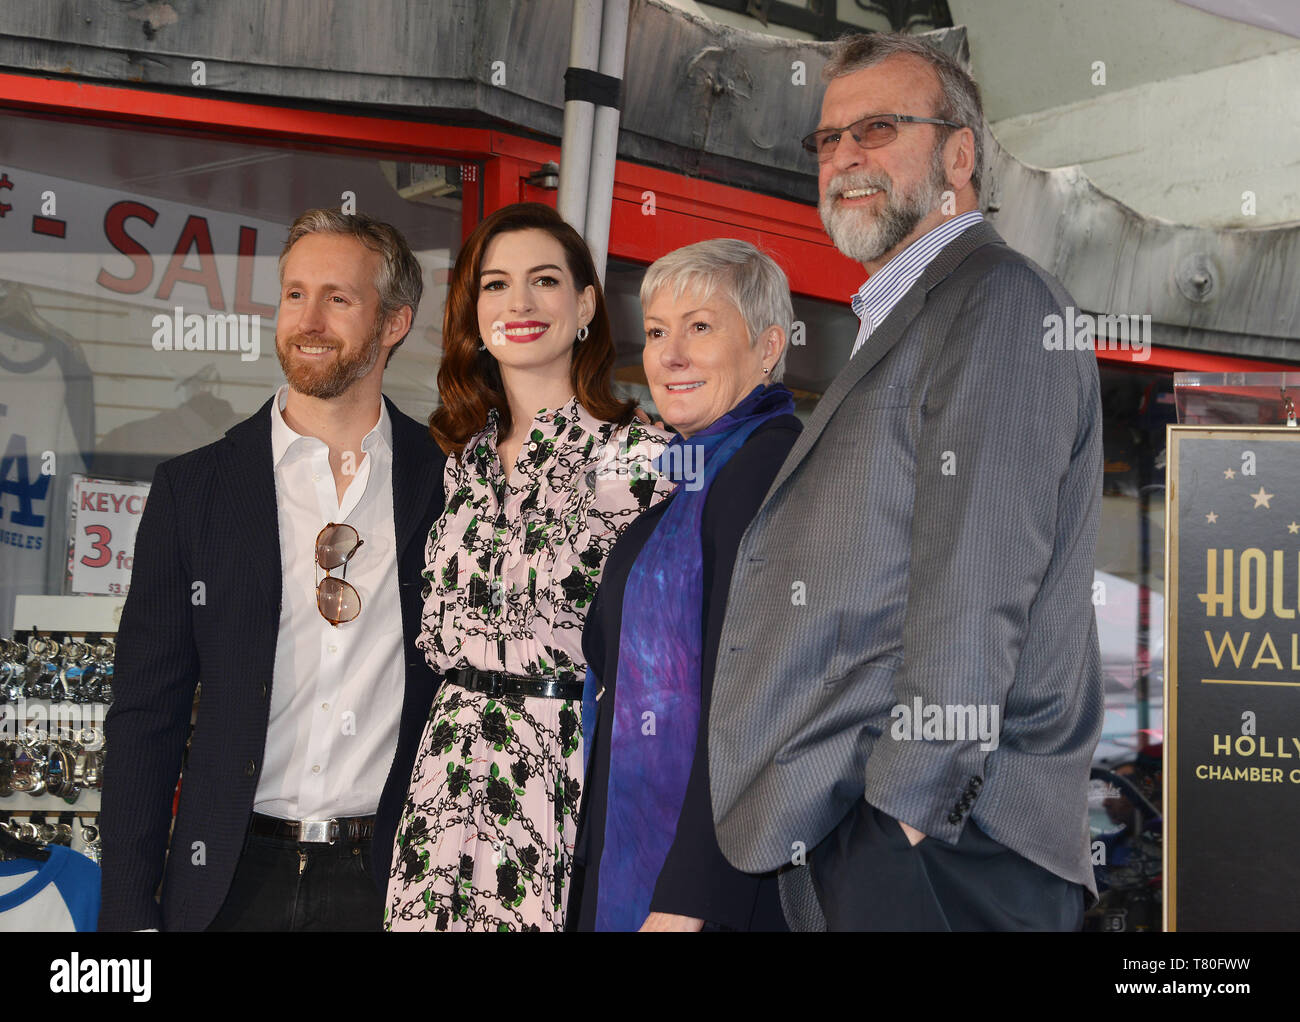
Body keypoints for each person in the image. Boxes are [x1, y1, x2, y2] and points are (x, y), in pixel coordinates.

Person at [708, 32, 1105, 931]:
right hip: (892, 844)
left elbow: (978, 586)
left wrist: (900, 823)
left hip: (951, 851)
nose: (844, 155)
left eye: (877, 129)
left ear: (958, 155)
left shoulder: (998, 302)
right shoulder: (911, 316)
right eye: (827, 139)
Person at [98, 209, 447, 931]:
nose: (308, 319)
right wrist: (128, 912)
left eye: (337, 298)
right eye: (294, 294)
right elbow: (145, 717)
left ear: (394, 324)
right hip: (227, 883)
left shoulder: (447, 486)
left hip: (391, 883)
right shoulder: (193, 490)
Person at [385, 203, 673, 932]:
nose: (518, 303)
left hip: (564, 778)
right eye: (495, 285)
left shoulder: (644, 459)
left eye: (544, 281)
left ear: (583, 307)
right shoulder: (456, 462)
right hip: (443, 775)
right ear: (473, 314)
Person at [568, 239, 800, 932]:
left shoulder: (767, 475)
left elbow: (756, 706)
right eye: (658, 332)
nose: (669, 356)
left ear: (767, 347)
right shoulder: (696, 476)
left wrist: (685, 898)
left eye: (700, 328)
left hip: (701, 894)